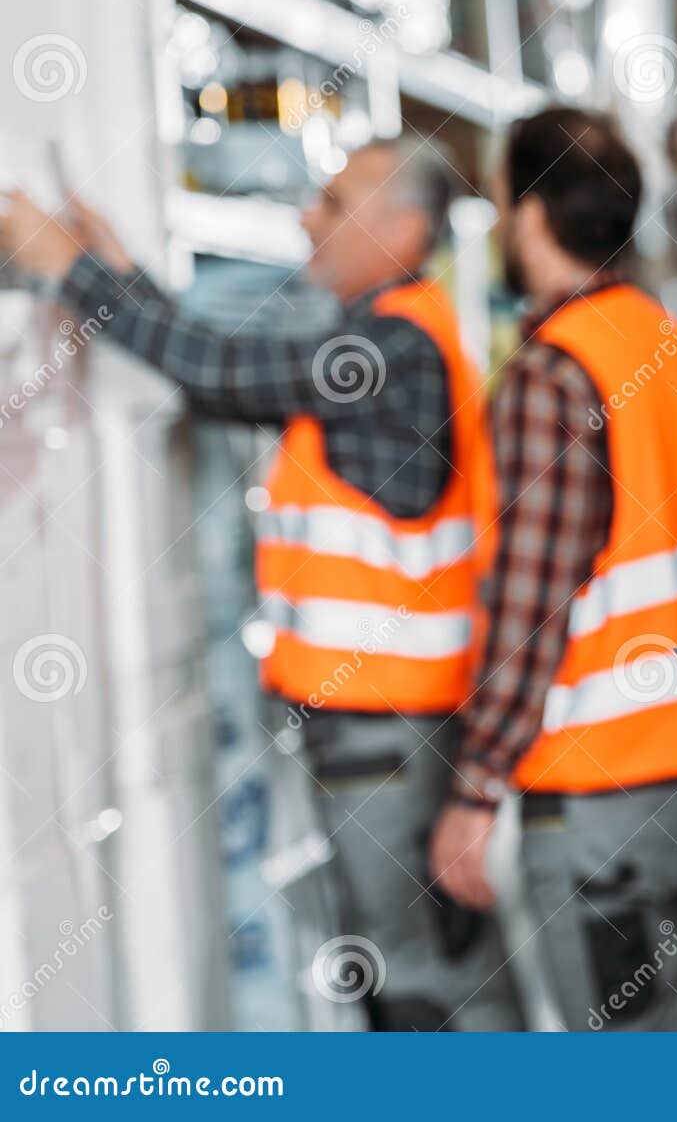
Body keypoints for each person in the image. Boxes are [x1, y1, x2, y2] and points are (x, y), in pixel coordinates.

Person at [0, 138, 526, 1031]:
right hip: (386, 721)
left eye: (335, 202)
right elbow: (225, 375)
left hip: (389, 724)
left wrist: (75, 273)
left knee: (424, 980)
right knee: (421, 969)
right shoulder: (393, 333)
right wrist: (119, 279)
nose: (308, 219)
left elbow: (221, 373)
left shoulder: (392, 349)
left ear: (403, 230)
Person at [427, 107, 677, 1031]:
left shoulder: (552, 375)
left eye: (504, 204)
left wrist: (474, 790)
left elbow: (530, 602)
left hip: (597, 787)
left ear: (533, 216)